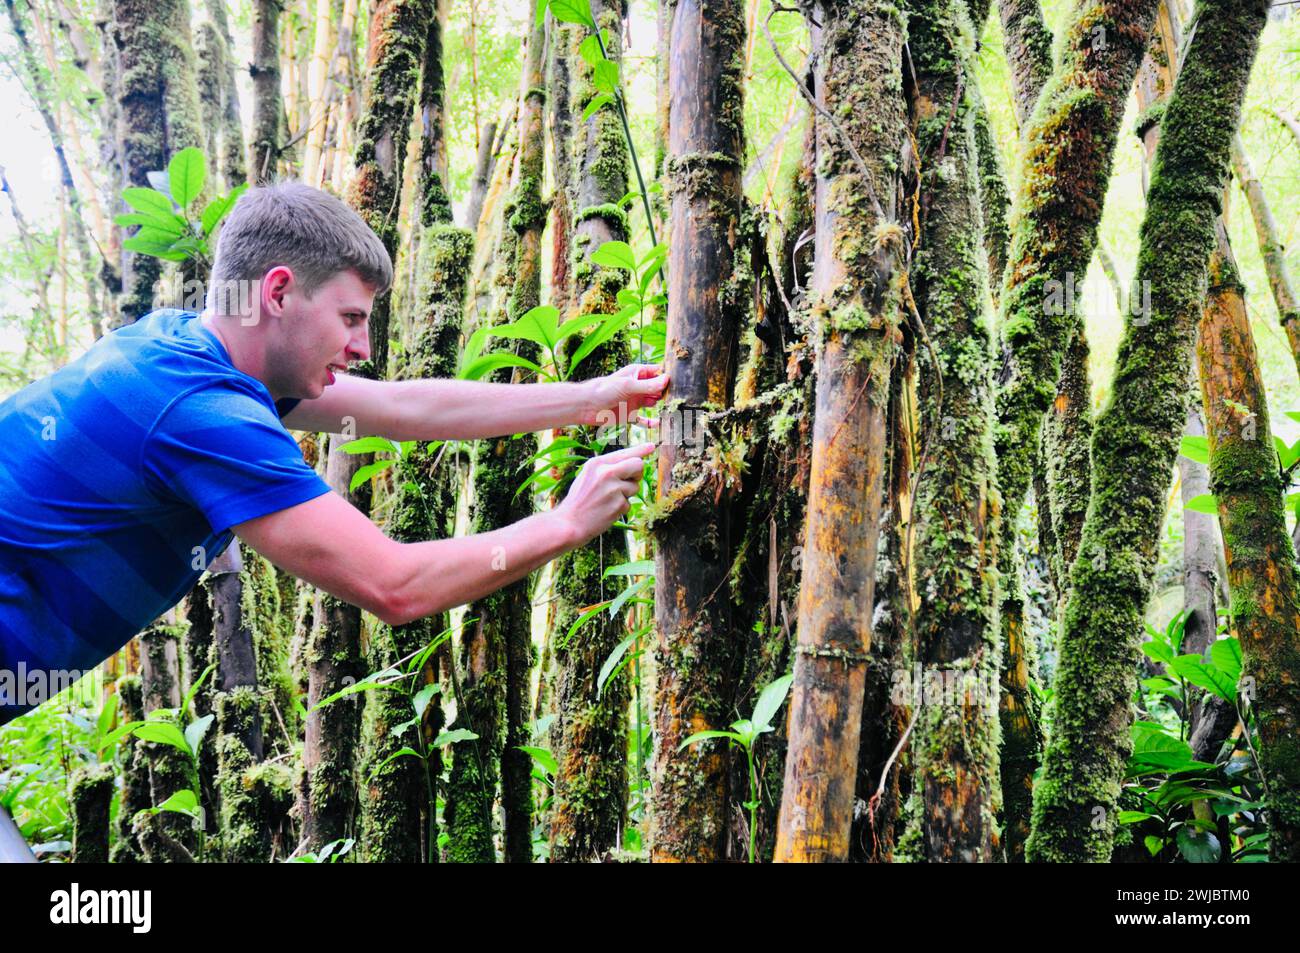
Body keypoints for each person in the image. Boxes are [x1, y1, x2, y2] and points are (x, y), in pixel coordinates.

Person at [0, 181, 666, 726]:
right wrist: (566, 523)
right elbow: (393, 584)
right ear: (279, 292)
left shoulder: (188, 350)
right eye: (351, 318)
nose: (363, 346)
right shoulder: (199, 412)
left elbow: (405, 409)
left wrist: (592, 399)